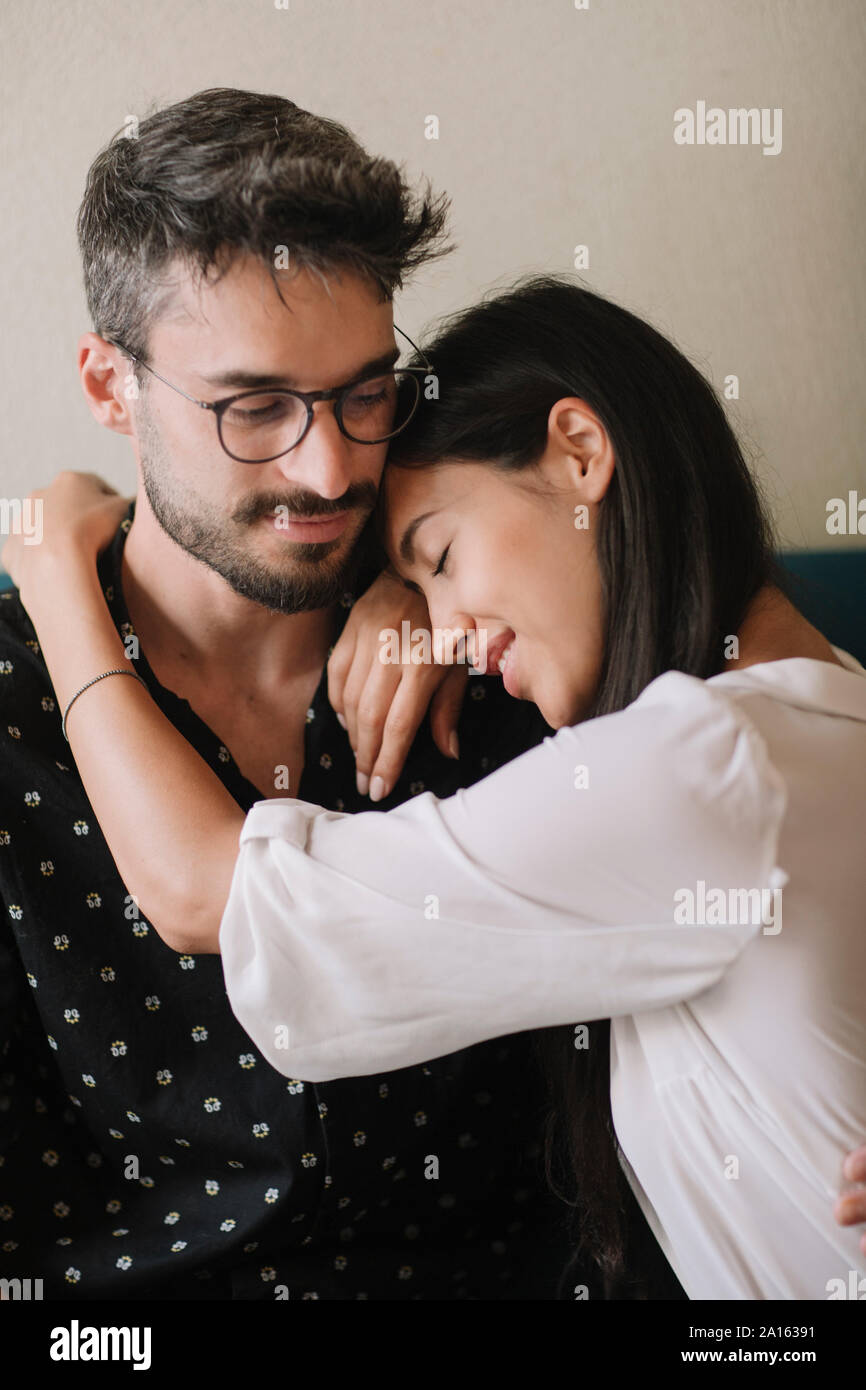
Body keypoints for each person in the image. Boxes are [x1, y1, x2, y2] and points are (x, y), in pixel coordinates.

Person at [6, 276, 865, 1300]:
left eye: (445, 558)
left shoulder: (696, 767)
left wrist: (51, 574)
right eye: (421, 584)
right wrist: (385, 589)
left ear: (580, 453)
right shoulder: (820, 707)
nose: (447, 631)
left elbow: (215, 895)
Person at [0, 89, 607, 1302]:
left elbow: (771, 727)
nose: (327, 469)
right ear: (111, 388)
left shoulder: (496, 631)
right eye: (254, 408)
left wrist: (413, 579)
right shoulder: (18, 704)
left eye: (362, 394)